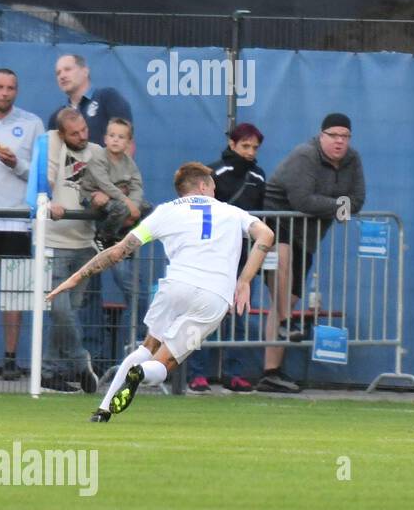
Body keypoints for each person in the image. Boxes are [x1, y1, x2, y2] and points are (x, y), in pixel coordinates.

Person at [46, 162, 275, 422]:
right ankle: (141, 374)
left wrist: (75, 278)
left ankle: (104, 410)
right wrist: (244, 280)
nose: (215, 191)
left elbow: (119, 250)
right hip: (214, 296)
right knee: (165, 363)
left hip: (175, 287)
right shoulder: (233, 212)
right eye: (213, 187)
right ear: (203, 186)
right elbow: (266, 235)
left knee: (148, 346)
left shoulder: (165, 211)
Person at [258, 113, 365, 393]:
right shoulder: (305, 155)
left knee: (289, 300)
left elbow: (358, 200)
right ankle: (284, 325)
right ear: (321, 135)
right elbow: (302, 200)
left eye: (345, 136)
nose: (340, 141)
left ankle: (271, 372)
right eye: (334, 135)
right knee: (282, 273)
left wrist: (332, 205)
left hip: (306, 237)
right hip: (275, 223)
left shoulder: (353, 159)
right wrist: (339, 206)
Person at [187, 123, 267, 393]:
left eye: (255, 147)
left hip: (243, 256)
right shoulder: (214, 174)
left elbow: (262, 215)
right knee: (203, 313)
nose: (250, 152)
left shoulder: (258, 176)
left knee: (239, 314)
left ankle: (235, 373)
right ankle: (197, 372)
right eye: (245, 146)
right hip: (213, 255)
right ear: (232, 144)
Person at [43, 108, 106, 392]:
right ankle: (82, 363)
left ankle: (48, 371)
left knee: (68, 313)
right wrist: (48, 203)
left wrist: (105, 195)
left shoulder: (97, 151)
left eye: (84, 130)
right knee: (61, 311)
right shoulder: (51, 143)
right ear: (61, 134)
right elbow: (42, 181)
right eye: (74, 133)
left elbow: (113, 184)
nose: (82, 136)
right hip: (54, 243)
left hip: (84, 244)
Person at [0, 67, 45, 380]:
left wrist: (17, 164)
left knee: (14, 295)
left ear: (17, 90)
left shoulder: (32, 124)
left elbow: (42, 174)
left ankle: (11, 359)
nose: (4, 93)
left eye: (9, 88)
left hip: (16, 222)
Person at [79, 118, 151, 249]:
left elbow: (136, 186)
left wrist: (134, 206)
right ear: (105, 139)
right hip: (92, 196)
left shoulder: (129, 163)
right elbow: (105, 184)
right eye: (112, 136)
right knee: (121, 207)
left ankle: (124, 237)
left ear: (128, 143)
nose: (115, 140)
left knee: (147, 208)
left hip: (116, 198)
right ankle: (103, 237)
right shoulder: (98, 157)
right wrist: (128, 203)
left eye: (121, 137)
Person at [47, 53, 134, 149]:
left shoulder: (107, 97)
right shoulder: (56, 117)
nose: (62, 76)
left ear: (85, 71)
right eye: (58, 73)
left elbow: (127, 143)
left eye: (67, 69)